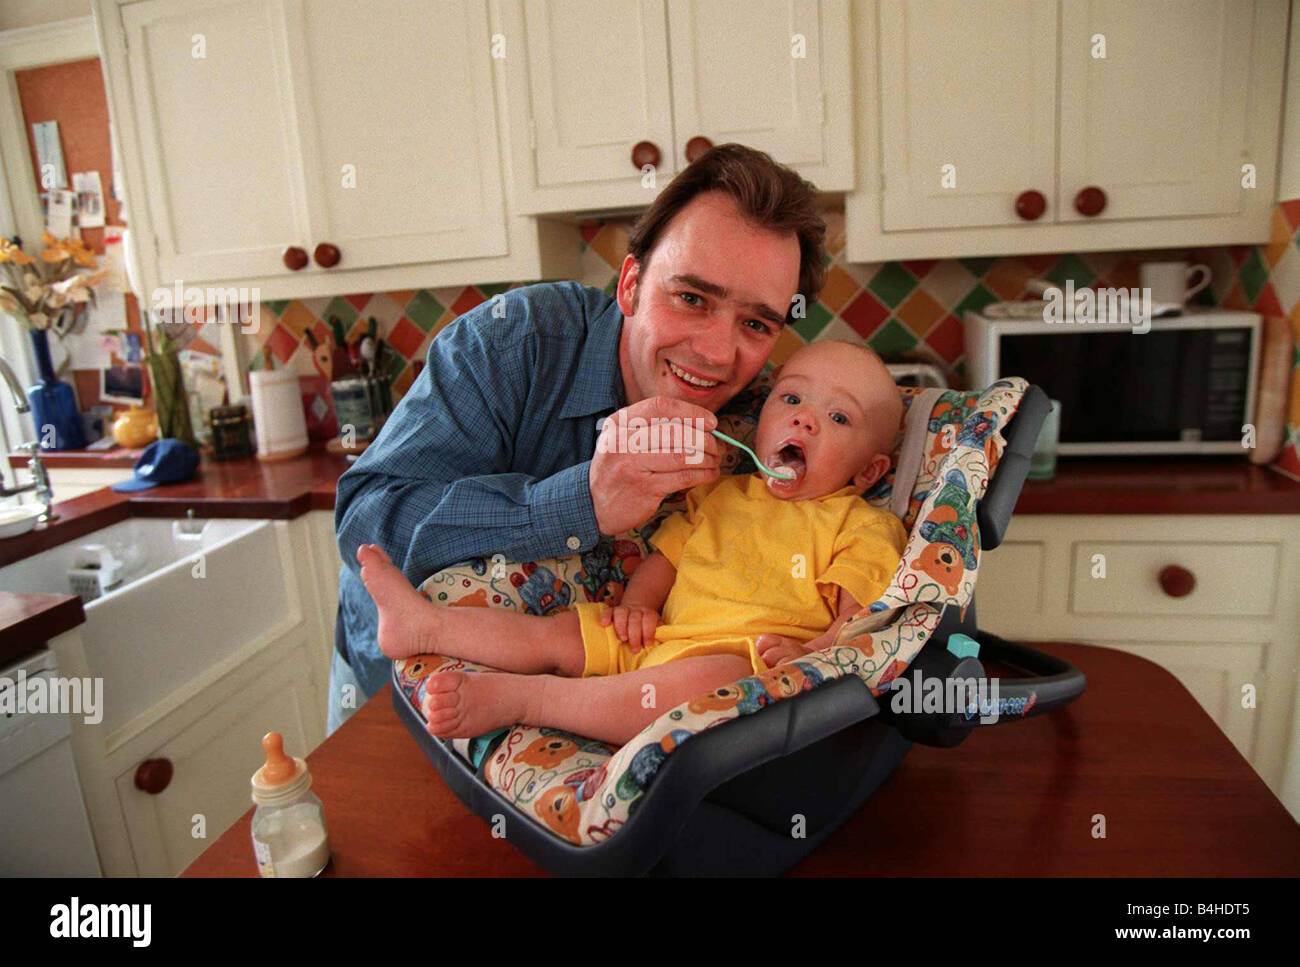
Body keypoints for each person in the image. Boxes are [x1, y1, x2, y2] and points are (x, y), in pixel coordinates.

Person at [329, 144, 827, 735]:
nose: (718, 354)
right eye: (691, 298)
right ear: (631, 285)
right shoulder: (512, 342)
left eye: (756, 324)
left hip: (571, 735)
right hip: (396, 697)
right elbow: (363, 521)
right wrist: (580, 502)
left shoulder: (761, 421)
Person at [357, 340, 906, 747]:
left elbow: (859, 626)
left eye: (837, 418)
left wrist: (808, 657)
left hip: (742, 662)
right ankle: (425, 624)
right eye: (791, 398)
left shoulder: (861, 526)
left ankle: (529, 698)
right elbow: (666, 561)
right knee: (562, 631)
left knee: (717, 680)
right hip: (657, 639)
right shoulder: (719, 492)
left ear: (868, 472)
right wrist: (637, 606)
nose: (805, 420)